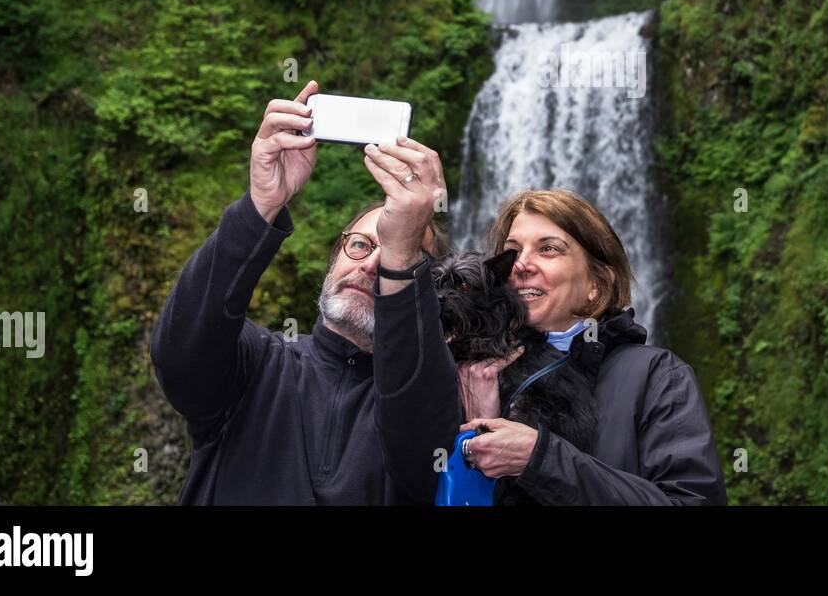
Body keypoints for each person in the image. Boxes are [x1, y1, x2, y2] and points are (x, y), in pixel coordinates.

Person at [150, 79, 459, 504]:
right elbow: (178, 354)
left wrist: (404, 254)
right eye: (361, 245)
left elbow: (424, 452)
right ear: (334, 258)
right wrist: (262, 203)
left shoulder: (435, 401)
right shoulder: (254, 365)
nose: (370, 264)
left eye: (392, 255)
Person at [456, 189, 727, 504]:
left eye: (548, 249)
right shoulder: (465, 369)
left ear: (596, 286)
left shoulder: (658, 376)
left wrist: (542, 459)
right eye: (512, 250)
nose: (521, 264)